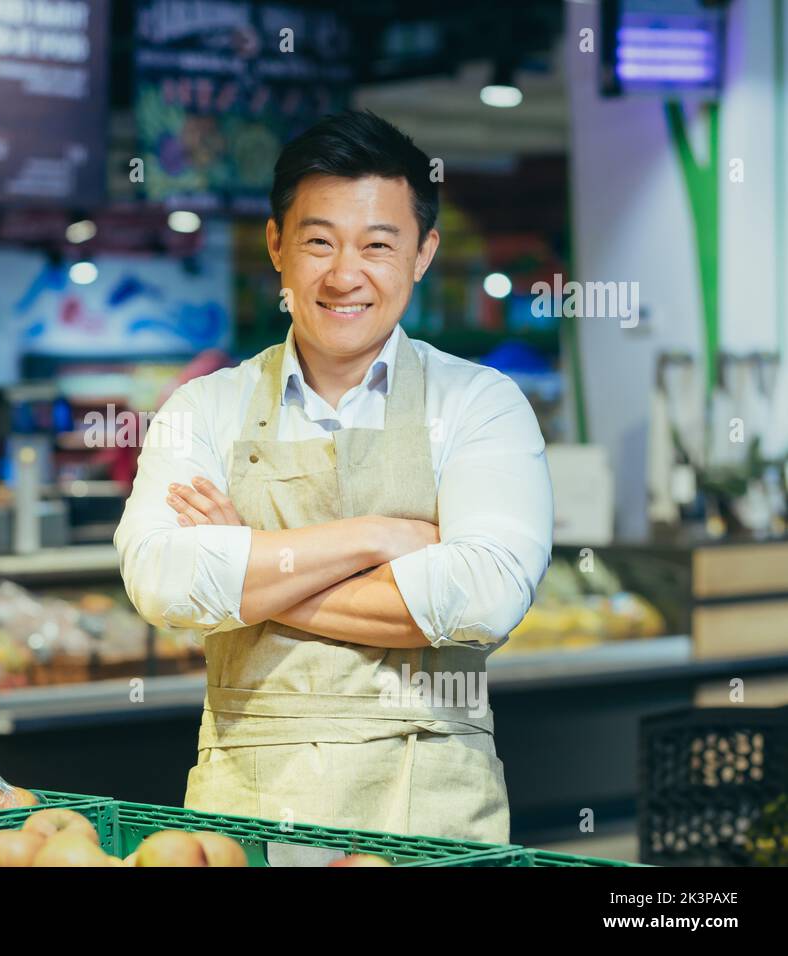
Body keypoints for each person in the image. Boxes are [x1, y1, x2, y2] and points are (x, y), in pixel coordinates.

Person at [114, 110, 553, 864]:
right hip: (244, 817)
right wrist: (376, 538)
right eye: (318, 241)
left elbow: (486, 592)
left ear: (423, 253)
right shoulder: (205, 407)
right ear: (276, 247)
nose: (345, 274)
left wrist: (253, 574)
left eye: (378, 245)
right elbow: (162, 581)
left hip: (431, 807)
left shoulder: (481, 403)